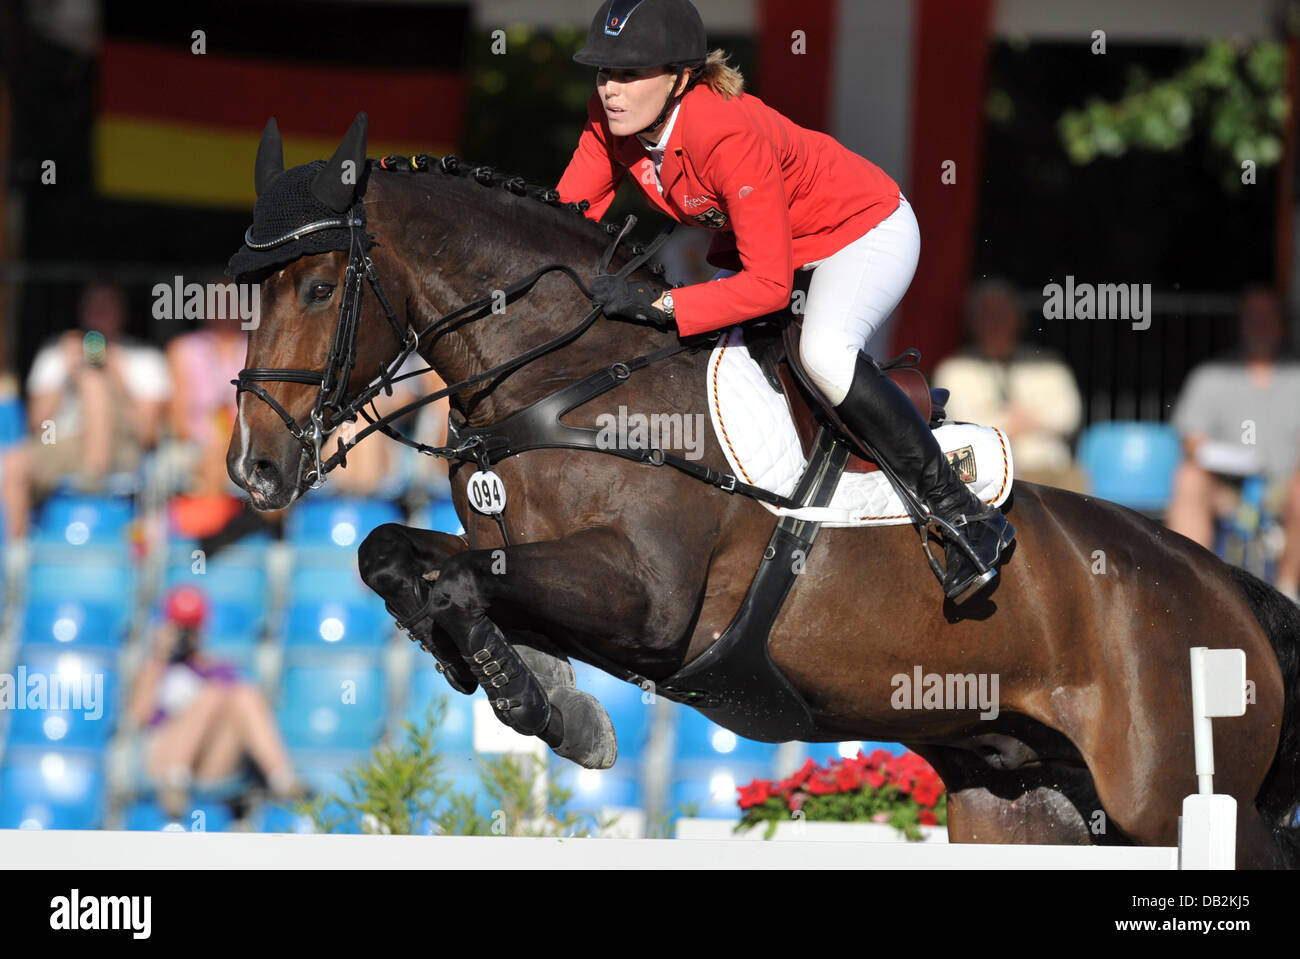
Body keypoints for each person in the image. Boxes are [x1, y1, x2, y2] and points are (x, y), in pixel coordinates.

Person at [556, 0, 1013, 604]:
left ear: (681, 77)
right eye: (603, 73)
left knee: (823, 353)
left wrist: (663, 306)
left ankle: (964, 515)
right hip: (782, 255)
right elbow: (564, 221)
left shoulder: (725, 130)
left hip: (863, 233)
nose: (611, 89)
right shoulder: (607, 119)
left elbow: (768, 285)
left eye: (629, 74)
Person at [124, 585, 304, 817]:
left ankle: (283, 780)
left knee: (244, 695)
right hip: (161, 757)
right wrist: (160, 657)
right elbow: (137, 718)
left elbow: (242, 705)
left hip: (209, 764)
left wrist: (205, 666)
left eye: (190, 628)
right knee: (213, 696)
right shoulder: (155, 668)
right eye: (178, 627)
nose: (184, 635)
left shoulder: (216, 669)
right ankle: (174, 778)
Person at [1167, 287, 1300, 600]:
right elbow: (1192, 442)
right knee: (1189, 478)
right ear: (1240, 324)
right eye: (1252, 318)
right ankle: (1188, 589)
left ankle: (1287, 593)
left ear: (1281, 324)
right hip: (1227, 490)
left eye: (1267, 317)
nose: (1260, 325)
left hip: (1286, 489)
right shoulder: (1210, 376)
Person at [933, 280, 1086, 492]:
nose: (995, 322)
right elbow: (961, 423)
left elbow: (1068, 416)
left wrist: (1004, 421)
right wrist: (1019, 421)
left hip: (1052, 470)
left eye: (1002, 314)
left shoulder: (1049, 364)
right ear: (972, 321)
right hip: (990, 476)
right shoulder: (954, 369)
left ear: (1018, 319)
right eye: (987, 315)